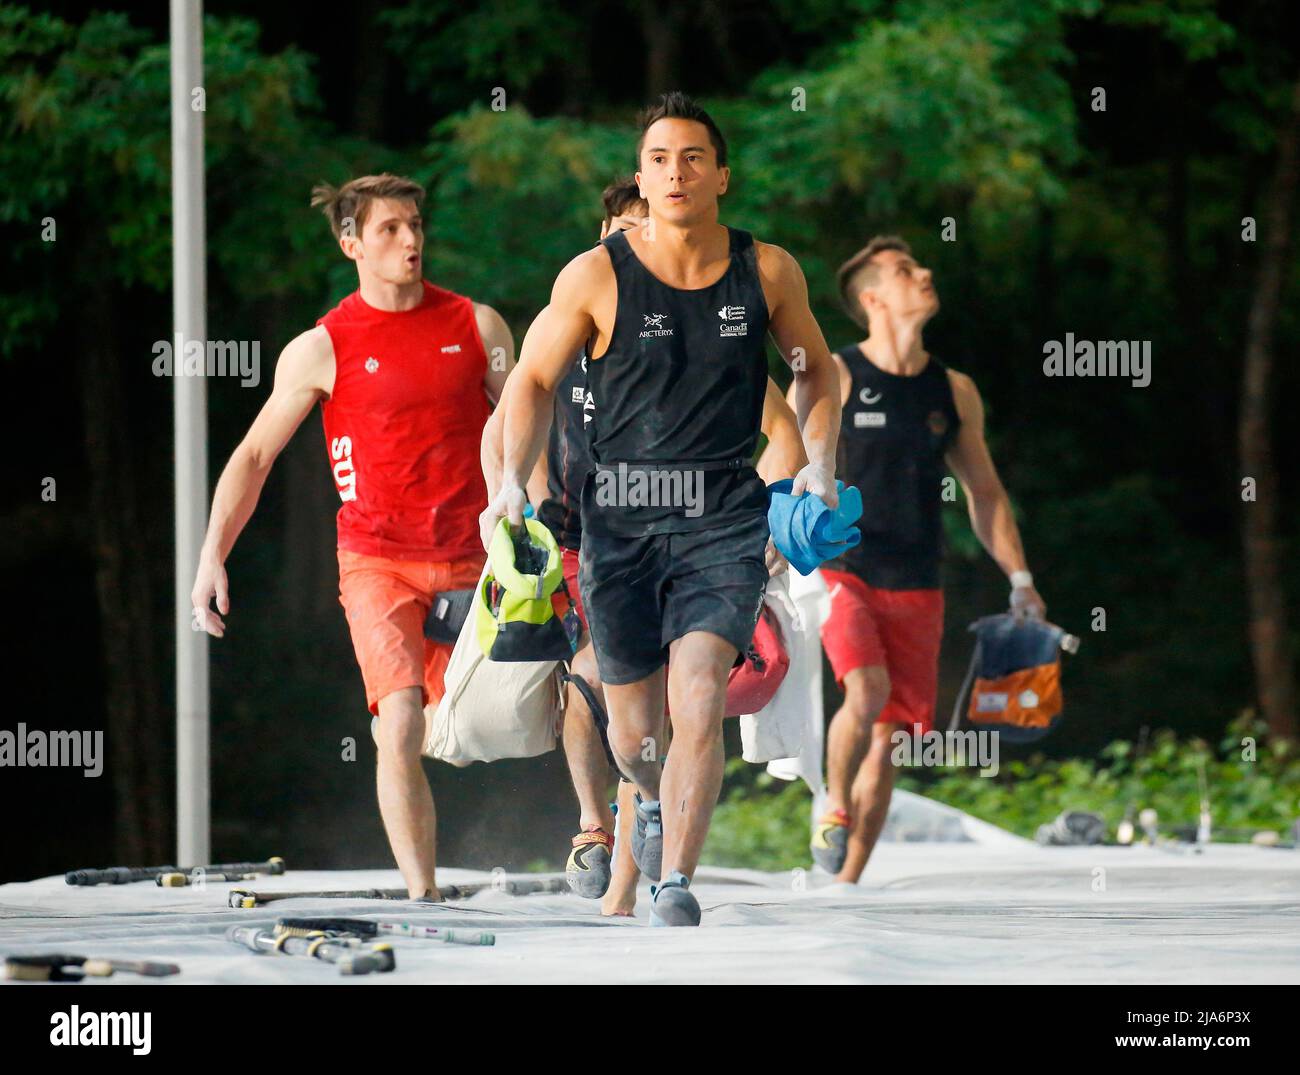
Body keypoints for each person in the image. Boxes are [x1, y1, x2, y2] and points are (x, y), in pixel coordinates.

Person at [484, 93, 840, 926]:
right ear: (639, 177)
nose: (674, 172)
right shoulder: (595, 274)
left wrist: (814, 467)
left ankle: (676, 876)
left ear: (721, 174)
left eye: (691, 158)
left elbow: (814, 371)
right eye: (657, 159)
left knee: (701, 691)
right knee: (635, 727)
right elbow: (532, 381)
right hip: (620, 521)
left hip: (723, 515)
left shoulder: (770, 269)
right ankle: (645, 801)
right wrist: (509, 482)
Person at [191, 174, 514, 900]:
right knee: (398, 721)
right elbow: (252, 456)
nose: (410, 240)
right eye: (390, 229)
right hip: (378, 561)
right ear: (351, 244)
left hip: (476, 557)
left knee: (504, 725)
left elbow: (529, 421)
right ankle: (424, 892)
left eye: (415, 225)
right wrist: (212, 556)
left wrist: (544, 509)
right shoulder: (322, 346)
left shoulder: (478, 326)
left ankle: (594, 832)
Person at [806, 235, 1047, 883]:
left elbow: (986, 493)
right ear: (873, 298)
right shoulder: (840, 372)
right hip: (843, 567)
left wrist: (1019, 578)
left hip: (917, 578)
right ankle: (831, 807)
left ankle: (846, 883)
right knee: (868, 690)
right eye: (907, 270)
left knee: (894, 738)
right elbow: (795, 465)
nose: (927, 272)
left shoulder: (954, 389)